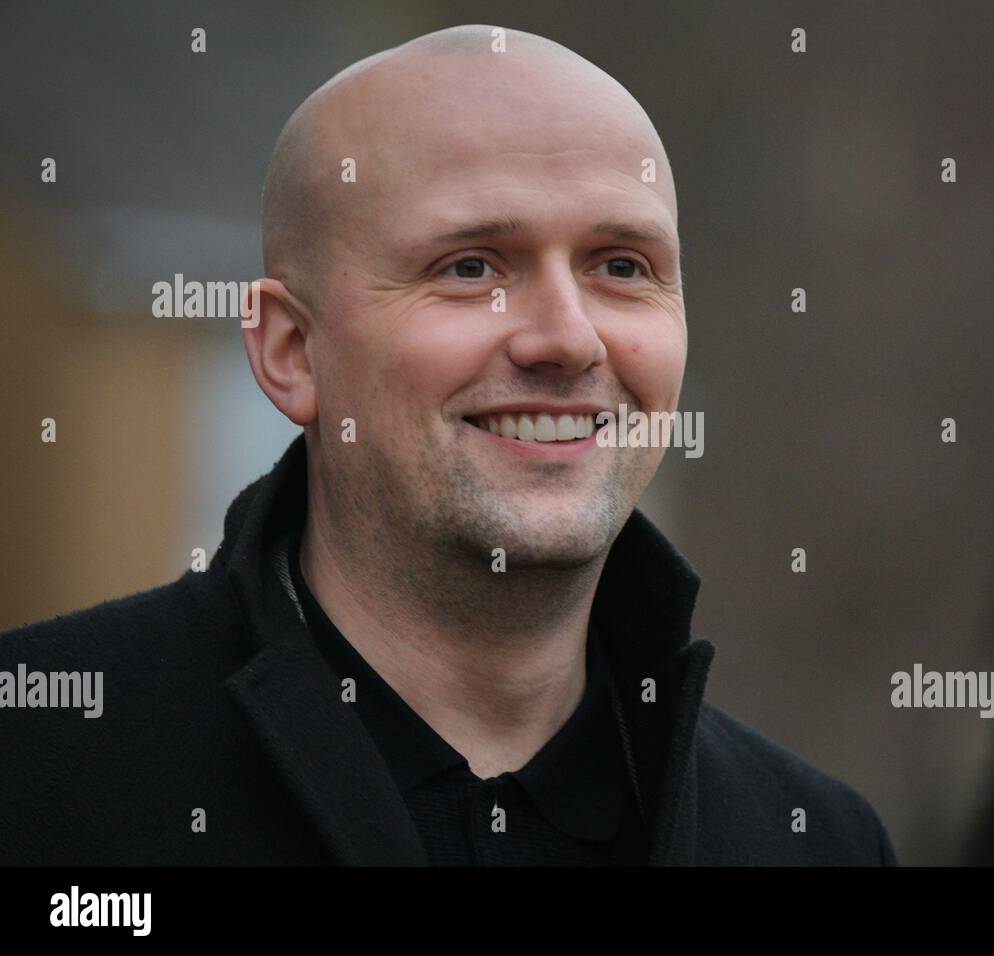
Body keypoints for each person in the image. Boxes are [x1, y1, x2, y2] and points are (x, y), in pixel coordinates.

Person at [0, 24, 896, 865]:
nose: (568, 339)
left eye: (622, 266)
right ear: (289, 350)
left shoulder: (809, 839)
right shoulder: (41, 764)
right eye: (470, 267)